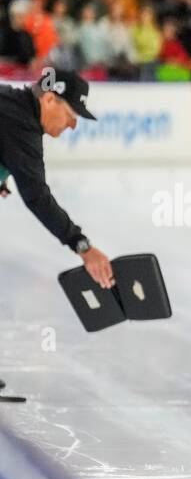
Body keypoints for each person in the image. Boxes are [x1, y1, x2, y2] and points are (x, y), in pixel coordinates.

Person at [0, 68, 114, 400]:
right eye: (70, 114)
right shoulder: (19, 122)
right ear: (49, 99)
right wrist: (81, 244)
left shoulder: (11, 105)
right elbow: (37, 197)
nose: (74, 124)